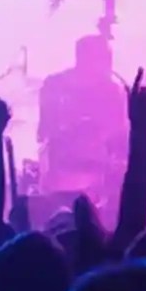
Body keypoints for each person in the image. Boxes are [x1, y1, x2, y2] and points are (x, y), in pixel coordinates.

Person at [38, 35, 129, 199]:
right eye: (102, 58)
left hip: (101, 171)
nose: (108, 64)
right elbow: (44, 130)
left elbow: (120, 136)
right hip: (62, 169)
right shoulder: (54, 86)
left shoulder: (113, 91)